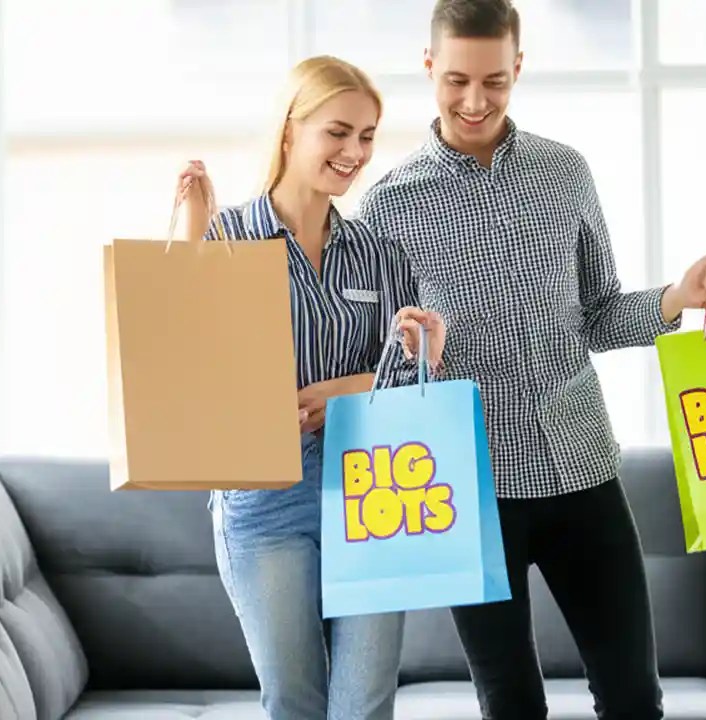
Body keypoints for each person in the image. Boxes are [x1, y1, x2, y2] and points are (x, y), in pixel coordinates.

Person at [355, 1, 706, 718]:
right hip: (473, 489)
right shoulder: (387, 209)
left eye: (495, 81)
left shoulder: (565, 173)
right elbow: (387, 377)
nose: (476, 100)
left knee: (634, 697)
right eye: (457, 80)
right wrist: (417, 357)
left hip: (582, 470)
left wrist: (677, 296)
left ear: (519, 68)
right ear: (429, 67)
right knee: (511, 705)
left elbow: (598, 315)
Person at [174, 55, 445, 720]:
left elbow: (408, 382)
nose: (355, 153)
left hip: (375, 488)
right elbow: (183, 364)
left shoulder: (379, 253)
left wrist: (363, 382)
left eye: (367, 136)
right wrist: (188, 240)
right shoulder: (227, 237)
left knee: (365, 705)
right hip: (265, 498)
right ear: (291, 129)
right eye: (338, 132)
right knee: (295, 703)